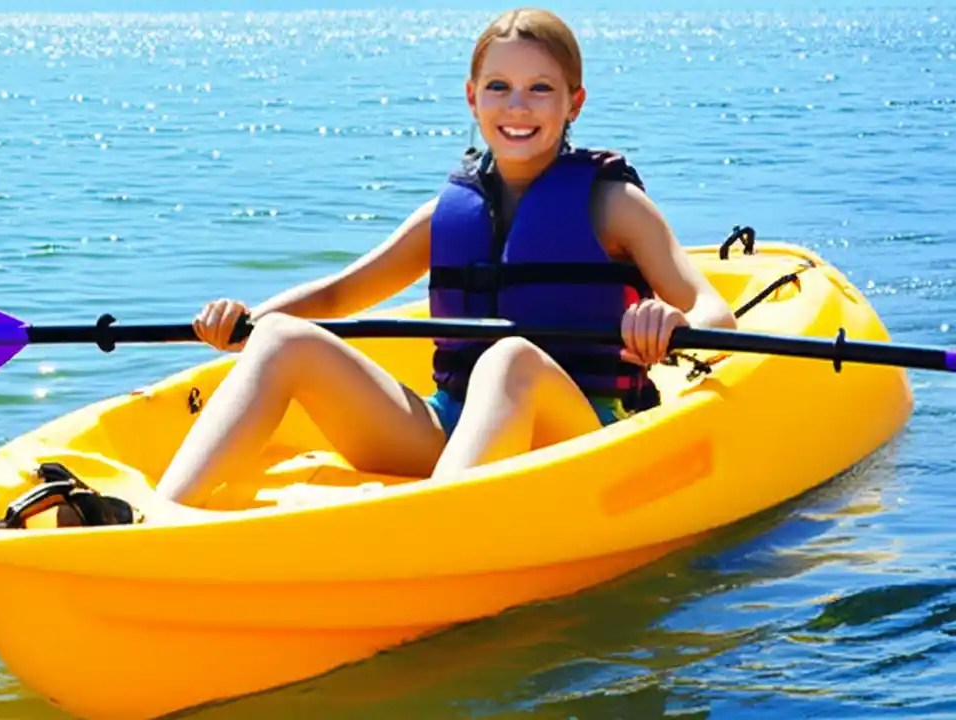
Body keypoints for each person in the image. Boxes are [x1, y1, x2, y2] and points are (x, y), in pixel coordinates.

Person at [152, 7, 737, 509]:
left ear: (573, 103)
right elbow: (335, 297)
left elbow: (716, 314)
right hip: (448, 428)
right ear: (472, 96)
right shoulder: (447, 214)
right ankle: (158, 518)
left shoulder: (614, 205)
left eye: (541, 89)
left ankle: (431, 525)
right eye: (498, 87)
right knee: (282, 338)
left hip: (579, 435)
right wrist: (243, 325)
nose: (518, 107)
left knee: (510, 358)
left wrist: (672, 321)